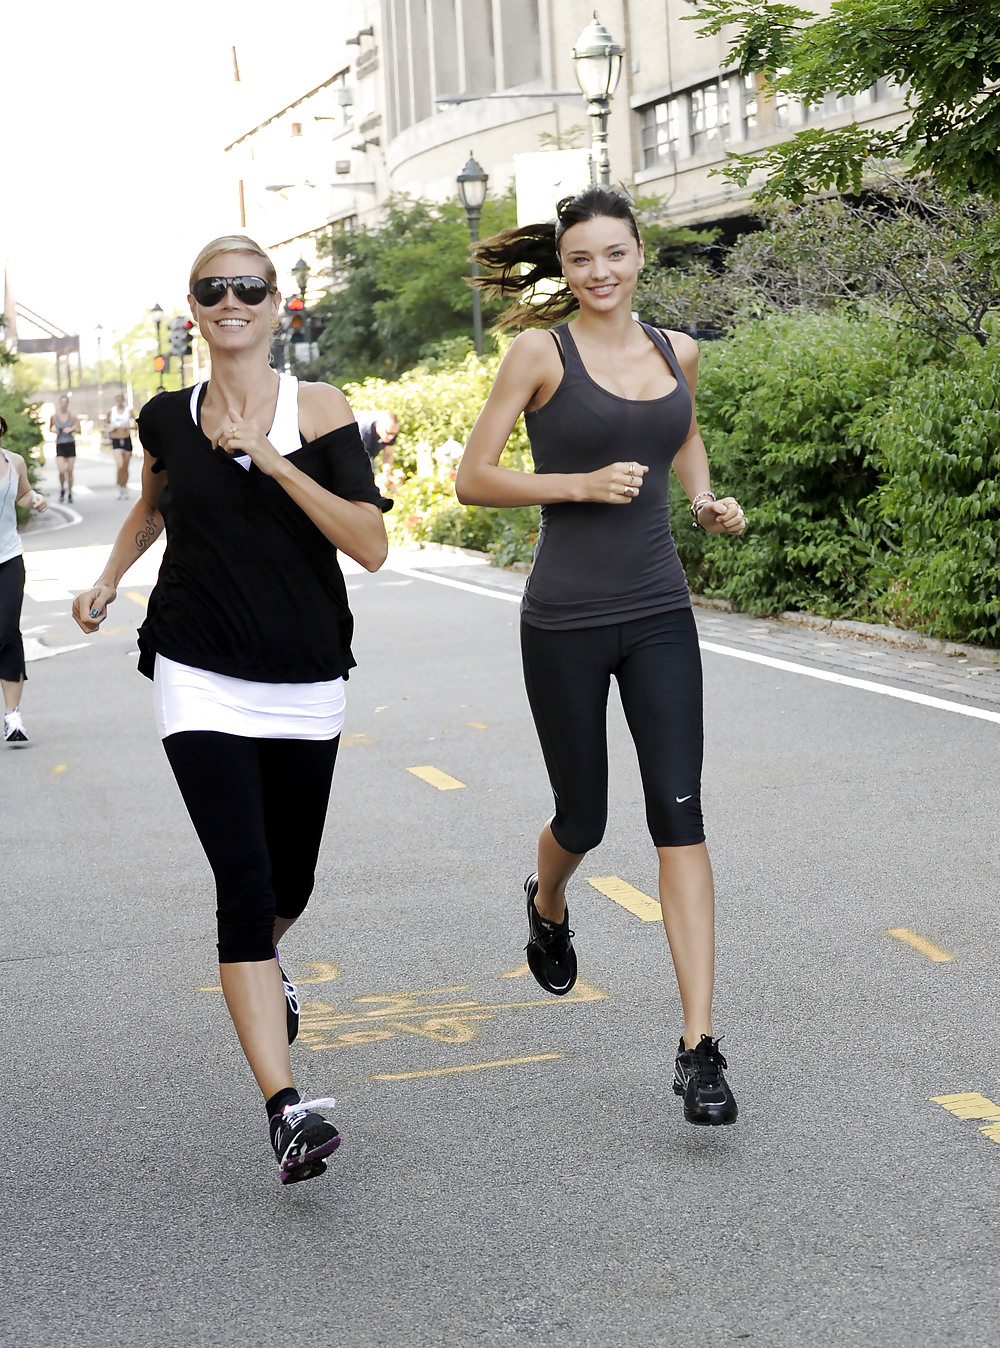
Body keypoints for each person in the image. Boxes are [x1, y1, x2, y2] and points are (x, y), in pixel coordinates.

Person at [72, 234, 391, 1183]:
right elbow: (155, 508)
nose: (230, 301)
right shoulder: (167, 414)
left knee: (290, 885)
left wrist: (272, 458)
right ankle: (285, 1110)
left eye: (247, 286)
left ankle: (266, 966)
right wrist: (106, 578)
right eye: (213, 289)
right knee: (245, 889)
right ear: (195, 306)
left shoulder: (318, 408)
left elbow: (369, 543)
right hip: (197, 669)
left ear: (275, 299)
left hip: (304, 678)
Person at [455, 187, 747, 1128]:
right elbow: (472, 478)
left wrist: (704, 498)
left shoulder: (677, 351)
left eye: (615, 254)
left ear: (640, 254)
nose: (601, 272)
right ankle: (547, 899)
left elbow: (681, 432)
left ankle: (700, 1048)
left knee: (680, 817)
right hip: (567, 619)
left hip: (661, 610)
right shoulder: (541, 354)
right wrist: (577, 484)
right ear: (566, 267)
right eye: (582, 260)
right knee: (583, 818)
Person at [0, 415, 48, 744]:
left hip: (8, 558)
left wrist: (35, 499)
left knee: (6, 631)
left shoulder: (12, 461)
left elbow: (23, 495)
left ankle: (12, 717)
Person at [49, 395, 80, 503]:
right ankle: (62, 489)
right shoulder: (54, 416)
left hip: (70, 444)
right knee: (62, 471)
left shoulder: (72, 416)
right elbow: (50, 428)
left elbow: (79, 428)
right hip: (60, 444)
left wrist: (71, 428)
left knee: (69, 471)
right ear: (59, 403)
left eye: (65, 402)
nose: (63, 404)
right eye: (62, 402)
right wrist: (55, 431)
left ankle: (70, 492)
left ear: (67, 404)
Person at [106, 391, 135, 499]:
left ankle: (124, 487)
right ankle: (120, 486)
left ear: (123, 399)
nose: (119, 400)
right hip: (116, 439)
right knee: (120, 465)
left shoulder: (129, 411)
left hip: (126, 438)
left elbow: (136, 424)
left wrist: (128, 426)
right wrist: (111, 427)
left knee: (125, 468)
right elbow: (106, 423)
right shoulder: (111, 411)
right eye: (117, 398)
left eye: (121, 398)